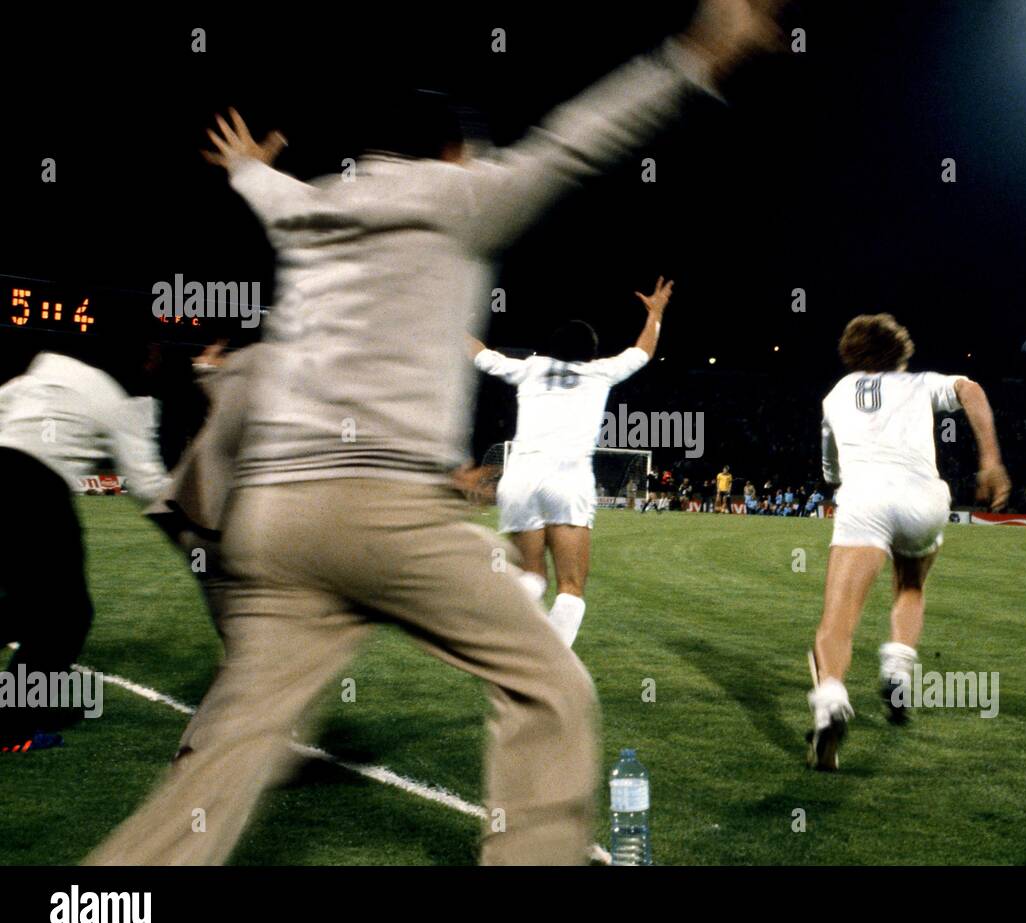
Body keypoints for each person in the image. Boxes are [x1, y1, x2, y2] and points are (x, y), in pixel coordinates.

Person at [86, 0, 789, 867]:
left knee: (228, 753)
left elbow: (266, 190)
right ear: (453, 149)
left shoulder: (315, 206)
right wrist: (695, 55)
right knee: (549, 689)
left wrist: (243, 167)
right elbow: (577, 140)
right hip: (378, 509)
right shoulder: (463, 196)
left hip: (272, 518)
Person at [806, 313, 1010, 771]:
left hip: (865, 497)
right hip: (924, 498)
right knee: (911, 585)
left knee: (838, 620)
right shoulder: (920, 383)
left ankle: (831, 700)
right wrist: (991, 460)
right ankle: (898, 668)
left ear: (851, 354)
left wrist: (840, 477)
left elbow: (830, 467)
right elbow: (970, 389)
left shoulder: (835, 394)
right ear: (900, 351)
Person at [469, 276, 673, 648]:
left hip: (521, 476)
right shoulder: (599, 373)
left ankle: (501, 631)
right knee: (571, 587)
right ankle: (550, 664)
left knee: (531, 577)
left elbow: (479, 354)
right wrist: (655, 313)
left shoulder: (530, 368)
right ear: (591, 354)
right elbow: (643, 351)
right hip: (568, 478)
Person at [0, 349, 169, 751]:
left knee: (27, 608)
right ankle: (11, 729)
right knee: (66, 616)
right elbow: (145, 483)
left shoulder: (29, 382)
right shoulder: (112, 396)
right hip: (34, 491)